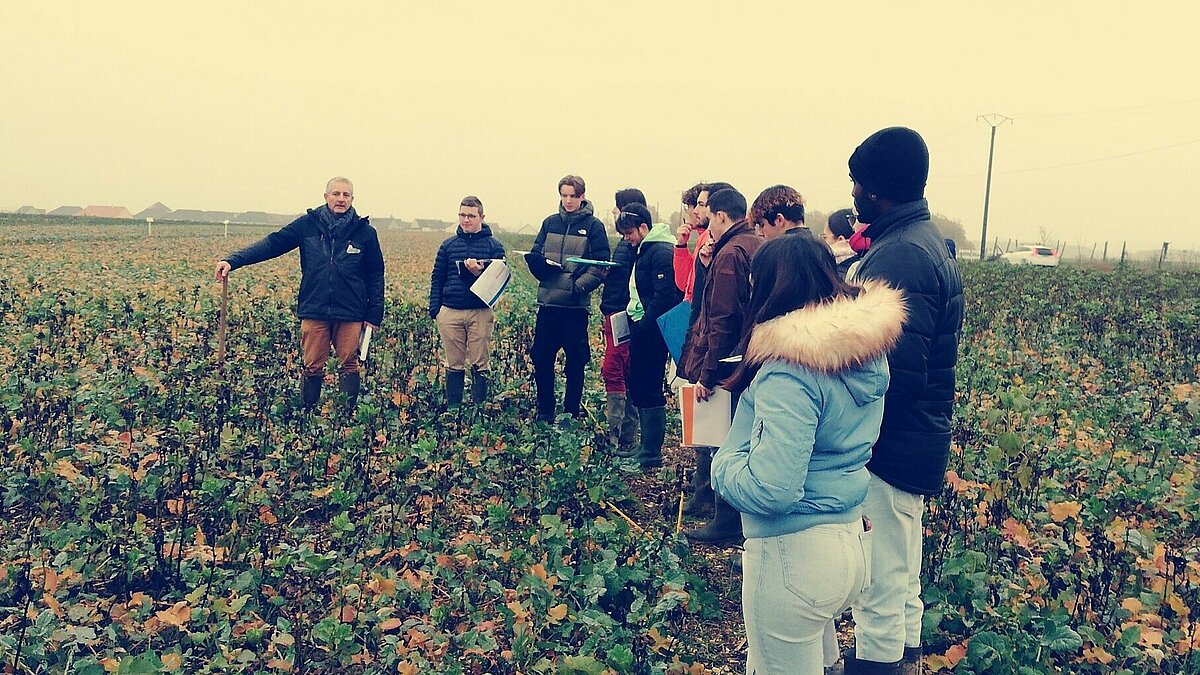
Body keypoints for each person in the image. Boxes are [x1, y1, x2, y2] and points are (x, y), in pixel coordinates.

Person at [711, 234, 906, 675]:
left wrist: (723, 466)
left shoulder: (790, 373)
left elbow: (773, 489)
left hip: (793, 556)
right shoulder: (866, 356)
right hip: (850, 542)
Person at [842, 127, 964, 675]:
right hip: (913, 435)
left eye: (857, 182)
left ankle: (878, 663)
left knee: (880, 577)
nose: (852, 192)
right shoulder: (916, 239)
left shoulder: (902, 257)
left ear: (879, 189)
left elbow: (895, 371)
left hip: (891, 440)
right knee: (900, 572)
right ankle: (904, 658)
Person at [214, 177, 383, 411]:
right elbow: (273, 244)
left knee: (349, 364)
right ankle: (307, 415)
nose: (341, 199)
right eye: (336, 194)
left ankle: (346, 417)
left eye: (346, 195)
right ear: (326, 197)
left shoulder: (366, 233)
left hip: (351, 311)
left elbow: (376, 275)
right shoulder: (307, 226)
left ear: (352, 199)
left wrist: (374, 315)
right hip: (315, 308)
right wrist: (233, 260)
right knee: (313, 365)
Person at [680, 186, 761, 545]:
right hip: (747, 358)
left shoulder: (731, 254)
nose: (706, 224)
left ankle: (726, 520)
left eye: (710, 216)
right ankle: (727, 513)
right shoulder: (752, 244)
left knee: (723, 441)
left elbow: (723, 318)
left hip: (727, 364)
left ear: (722, 216)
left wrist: (709, 373)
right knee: (740, 438)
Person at [526, 175, 611, 423]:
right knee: (541, 358)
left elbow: (601, 266)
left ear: (582, 196)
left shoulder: (594, 227)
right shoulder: (549, 222)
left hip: (574, 308)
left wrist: (578, 288)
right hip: (548, 304)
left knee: (575, 362)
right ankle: (545, 410)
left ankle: (571, 412)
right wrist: (539, 266)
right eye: (564, 195)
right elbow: (535, 253)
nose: (569, 200)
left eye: (573, 196)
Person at [674, 181, 733, 518]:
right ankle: (703, 491)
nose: (698, 211)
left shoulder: (727, 248)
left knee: (710, 421)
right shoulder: (702, 242)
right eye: (696, 205)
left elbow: (718, 309)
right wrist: (685, 251)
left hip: (707, 341)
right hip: (694, 329)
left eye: (703, 205)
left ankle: (710, 497)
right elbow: (686, 285)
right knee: (699, 421)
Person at [612, 204, 682, 469]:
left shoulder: (661, 252)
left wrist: (644, 324)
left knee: (649, 387)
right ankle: (644, 447)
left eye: (629, 232)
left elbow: (664, 296)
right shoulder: (644, 249)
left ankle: (651, 454)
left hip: (653, 332)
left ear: (644, 228)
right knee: (640, 384)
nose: (627, 238)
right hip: (643, 327)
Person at [429, 196, 506, 407]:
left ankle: (479, 409)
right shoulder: (448, 246)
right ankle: (454, 408)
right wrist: (436, 310)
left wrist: (476, 274)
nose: (466, 220)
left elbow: (497, 283)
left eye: (471, 216)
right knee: (454, 363)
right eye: (462, 215)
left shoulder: (494, 247)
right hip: (450, 312)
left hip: (479, 312)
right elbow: (437, 277)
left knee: (480, 363)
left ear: (482, 217)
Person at [599, 188, 646, 454]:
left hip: (621, 313)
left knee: (614, 369)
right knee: (622, 369)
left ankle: (619, 438)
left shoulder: (634, 245)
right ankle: (625, 435)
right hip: (615, 310)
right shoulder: (627, 243)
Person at [823, 208, 862, 280]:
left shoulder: (831, 275)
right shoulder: (869, 262)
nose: (823, 242)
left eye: (825, 237)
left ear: (841, 239)